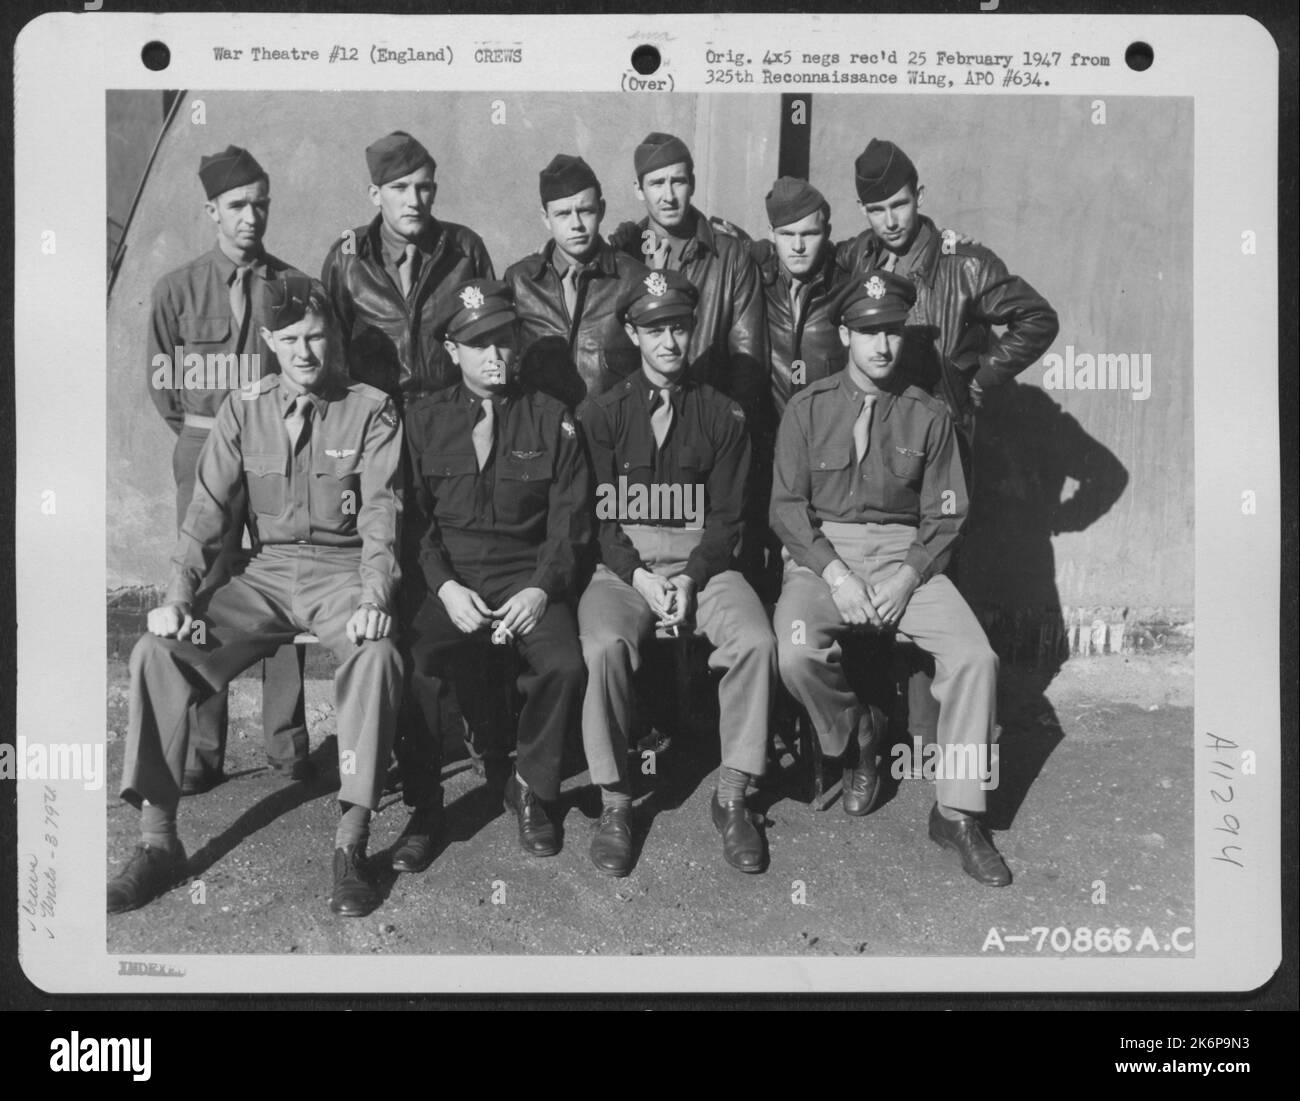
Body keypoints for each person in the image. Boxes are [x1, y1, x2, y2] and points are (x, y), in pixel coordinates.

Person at [109, 273, 405, 917]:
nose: (304, 352)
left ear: (335, 338)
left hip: (342, 572)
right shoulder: (243, 409)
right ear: (269, 339)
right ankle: (159, 843)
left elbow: (382, 511)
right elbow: (208, 516)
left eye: (317, 337)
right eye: (291, 338)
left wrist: (374, 597)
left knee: (377, 658)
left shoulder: (370, 408)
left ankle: (351, 844)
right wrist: (179, 596)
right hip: (263, 573)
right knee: (158, 652)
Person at [770, 270, 1011, 887]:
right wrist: (836, 575)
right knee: (796, 650)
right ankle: (856, 736)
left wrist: (908, 576)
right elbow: (787, 510)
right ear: (845, 333)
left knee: (975, 657)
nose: (882, 345)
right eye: (869, 331)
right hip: (825, 557)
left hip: (909, 558)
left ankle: (957, 813)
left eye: (893, 331)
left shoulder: (927, 414)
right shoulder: (808, 407)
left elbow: (946, 513)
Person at [839, 138, 1060, 756]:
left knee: (934, 574)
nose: (891, 220)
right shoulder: (855, 256)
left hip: (942, 443)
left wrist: (977, 380)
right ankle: (874, 723)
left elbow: (1035, 318)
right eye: (877, 208)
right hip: (875, 438)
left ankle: (927, 728)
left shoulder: (964, 263)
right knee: (877, 568)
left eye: (901, 204)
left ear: (920, 196)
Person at [320, 130, 496, 838]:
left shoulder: (464, 249)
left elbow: (484, 331)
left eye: (425, 186)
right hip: (376, 432)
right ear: (376, 196)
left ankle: (475, 740)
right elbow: (327, 348)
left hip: (446, 425)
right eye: (400, 189)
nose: (416, 199)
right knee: (391, 574)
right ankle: (404, 747)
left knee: (447, 568)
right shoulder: (346, 259)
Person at [577, 269, 777, 878]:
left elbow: (727, 521)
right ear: (633, 333)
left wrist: (690, 578)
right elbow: (598, 521)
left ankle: (735, 794)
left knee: (757, 640)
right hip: (623, 569)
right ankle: (615, 801)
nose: (669, 341)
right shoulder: (602, 414)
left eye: (680, 327)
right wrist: (638, 576)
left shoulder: (722, 414)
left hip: (702, 565)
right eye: (655, 328)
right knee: (605, 644)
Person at [401, 280, 590, 864]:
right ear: (452, 351)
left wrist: (540, 589)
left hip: (524, 575)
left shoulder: (552, 419)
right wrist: (445, 587)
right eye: (478, 343)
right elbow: (415, 525)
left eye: (504, 340)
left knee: (563, 663)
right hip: (451, 577)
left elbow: (570, 524)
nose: (495, 355)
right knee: (412, 663)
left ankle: (532, 789)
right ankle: (425, 807)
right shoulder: (422, 421)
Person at [146, 144, 309, 793]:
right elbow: (164, 387)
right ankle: (202, 749)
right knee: (206, 585)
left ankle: (287, 745)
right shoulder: (176, 290)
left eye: (261, 203)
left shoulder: (289, 285)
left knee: (283, 571)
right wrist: (210, 439)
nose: (252, 216)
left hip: (274, 449)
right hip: (204, 444)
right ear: (211, 209)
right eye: (238, 205)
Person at [504, 153, 649, 407]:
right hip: (542, 438)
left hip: (611, 437)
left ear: (601, 210)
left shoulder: (634, 280)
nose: (576, 224)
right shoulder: (521, 281)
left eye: (585, 211)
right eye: (562, 214)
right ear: (545, 218)